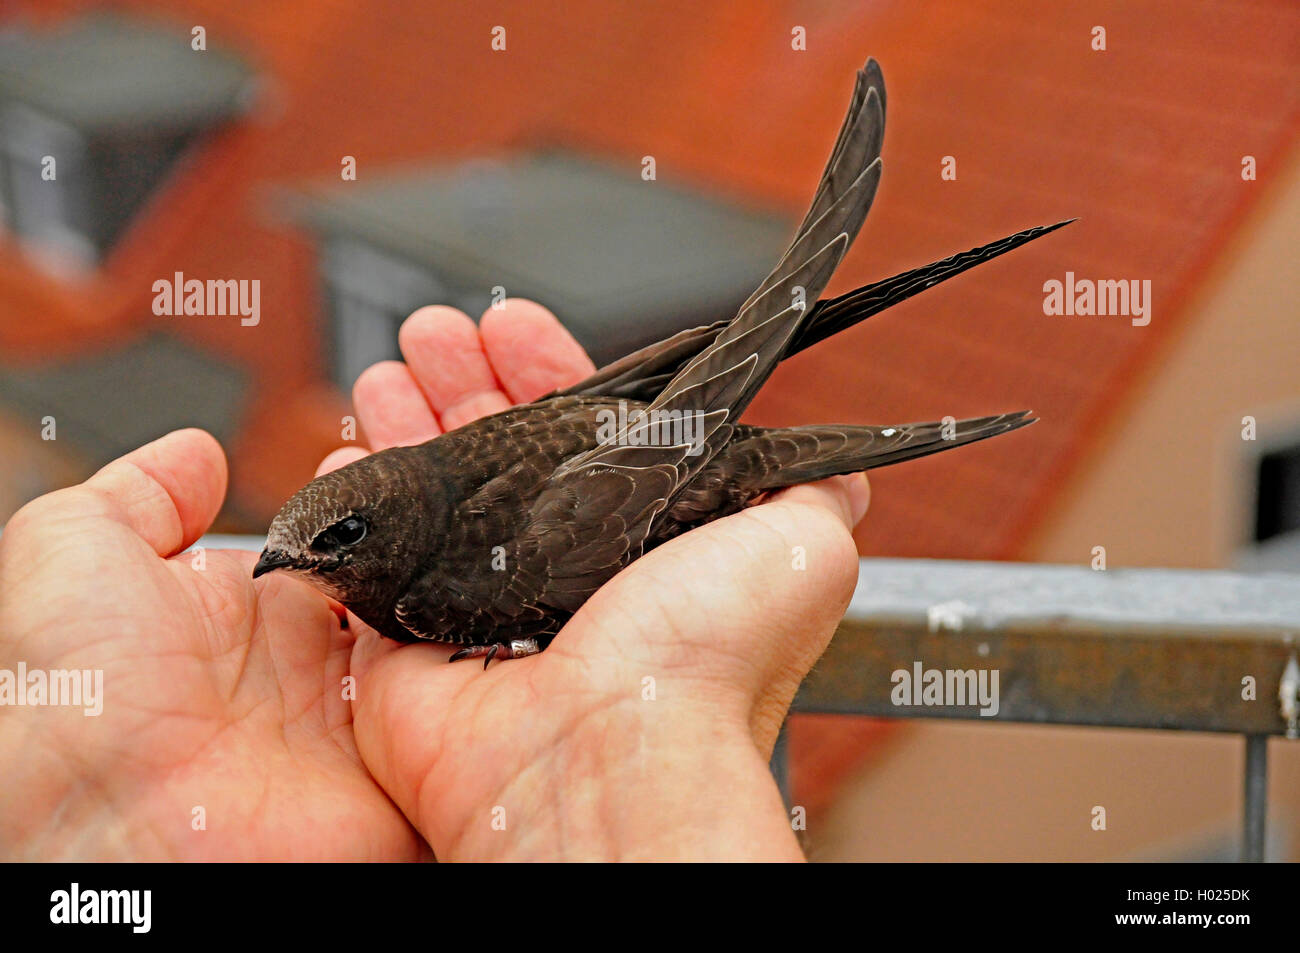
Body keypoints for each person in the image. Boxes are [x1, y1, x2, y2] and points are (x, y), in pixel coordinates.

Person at [0, 299, 869, 861]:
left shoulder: (425, 597)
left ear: (377, 533)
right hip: (639, 433)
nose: (287, 567)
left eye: (329, 543)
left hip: (667, 467)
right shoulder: (420, 489)